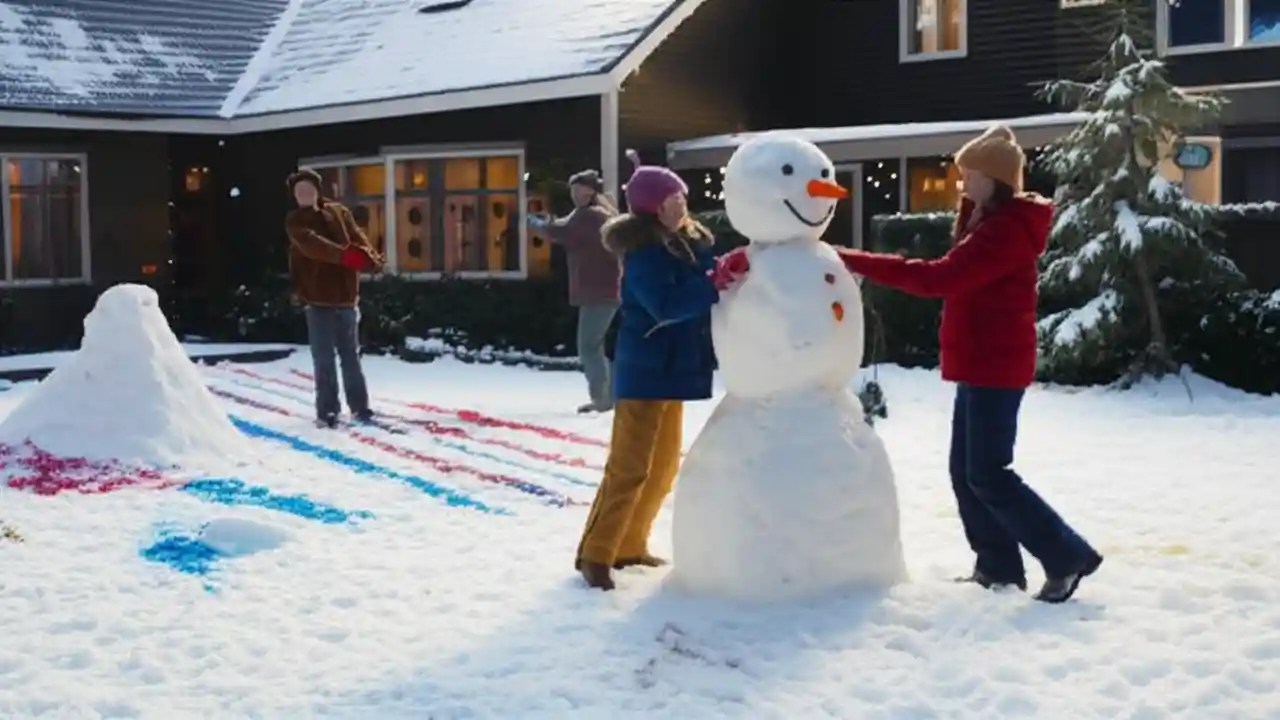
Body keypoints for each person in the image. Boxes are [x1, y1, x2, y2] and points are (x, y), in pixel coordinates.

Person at [718, 125, 1102, 604]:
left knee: (988, 472)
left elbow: (940, 278)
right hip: (980, 361)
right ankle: (998, 566)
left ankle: (1066, 555)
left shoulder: (1005, 232)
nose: (962, 184)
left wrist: (855, 260)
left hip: (996, 364)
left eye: (970, 176)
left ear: (994, 179)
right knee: (966, 470)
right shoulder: (986, 222)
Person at [574, 151, 736, 591]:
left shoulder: (689, 242)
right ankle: (596, 554)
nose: (681, 205)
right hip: (644, 370)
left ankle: (630, 545)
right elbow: (664, 306)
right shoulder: (644, 252)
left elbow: (705, 281)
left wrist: (723, 270)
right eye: (672, 200)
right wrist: (712, 283)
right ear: (652, 207)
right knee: (629, 468)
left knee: (663, 467)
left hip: (674, 369)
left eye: (681, 197)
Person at [284, 168, 384, 429]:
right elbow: (314, 246)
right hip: (317, 300)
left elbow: (357, 237)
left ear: (318, 191)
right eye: (299, 192)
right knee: (324, 358)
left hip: (347, 298)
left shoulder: (340, 213)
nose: (304, 195)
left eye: (308, 189)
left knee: (351, 356)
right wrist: (345, 257)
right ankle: (328, 411)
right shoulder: (295, 221)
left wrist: (370, 256)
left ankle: (361, 408)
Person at [528, 170, 621, 414]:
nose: (574, 194)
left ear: (590, 191)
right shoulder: (598, 212)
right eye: (572, 189)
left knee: (589, 346)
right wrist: (549, 223)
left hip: (599, 290)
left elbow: (565, 233)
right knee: (594, 344)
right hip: (605, 288)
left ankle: (603, 399)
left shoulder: (590, 215)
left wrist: (541, 226)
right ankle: (606, 396)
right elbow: (567, 227)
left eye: (578, 189)